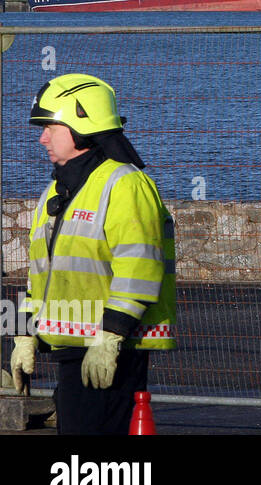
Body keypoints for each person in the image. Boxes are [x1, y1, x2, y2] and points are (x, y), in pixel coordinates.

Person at [10, 73, 176, 435]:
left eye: (50, 127)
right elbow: (38, 276)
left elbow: (139, 267)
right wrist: (23, 335)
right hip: (72, 349)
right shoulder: (58, 191)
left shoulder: (125, 184)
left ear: (80, 125)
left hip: (111, 351)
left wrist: (110, 337)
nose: (42, 138)